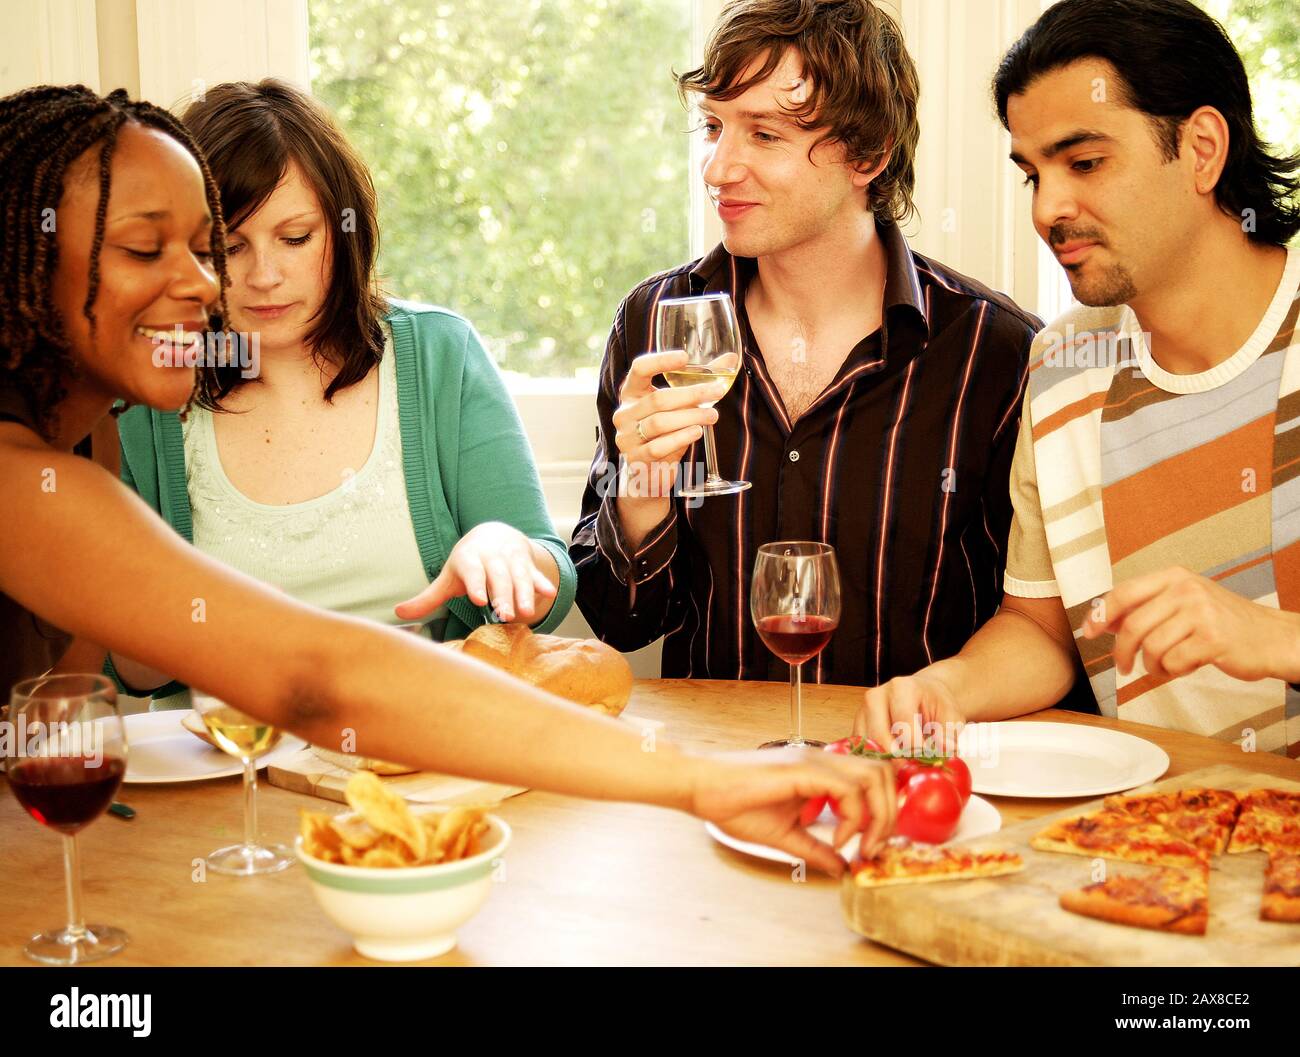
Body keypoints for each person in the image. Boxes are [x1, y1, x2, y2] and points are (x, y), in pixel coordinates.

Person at [0, 84, 896, 874]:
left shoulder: (75, 450)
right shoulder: (31, 480)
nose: (208, 283)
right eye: (144, 249)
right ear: (24, 262)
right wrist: (698, 780)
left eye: (203, 247)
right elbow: (321, 676)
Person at [855, 0, 1300, 759]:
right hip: (1153, 822)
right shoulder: (1065, 365)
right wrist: (947, 689)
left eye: (1085, 162)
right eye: (1033, 174)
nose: (1048, 208)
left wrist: (1274, 638)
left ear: (1201, 149)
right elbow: (1042, 628)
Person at [570, 0, 1045, 693]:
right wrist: (641, 492)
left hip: (904, 754)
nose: (717, 169)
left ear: (868, 154)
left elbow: (1037, 625)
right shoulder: (654, 324)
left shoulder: (995, 352)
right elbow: (621, 623)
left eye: (764, 134)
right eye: (713, 127)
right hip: (721, 755)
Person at [106, 79, 573, 706]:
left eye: (295, 238)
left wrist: (506, 552)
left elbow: (551, 584)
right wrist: (148, 622)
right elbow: (132, 673)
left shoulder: (439, 354)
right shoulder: (150, 391)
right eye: (229, 247)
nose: (264, 276)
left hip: (418, 738)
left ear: (344, 230)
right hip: (231, 751)